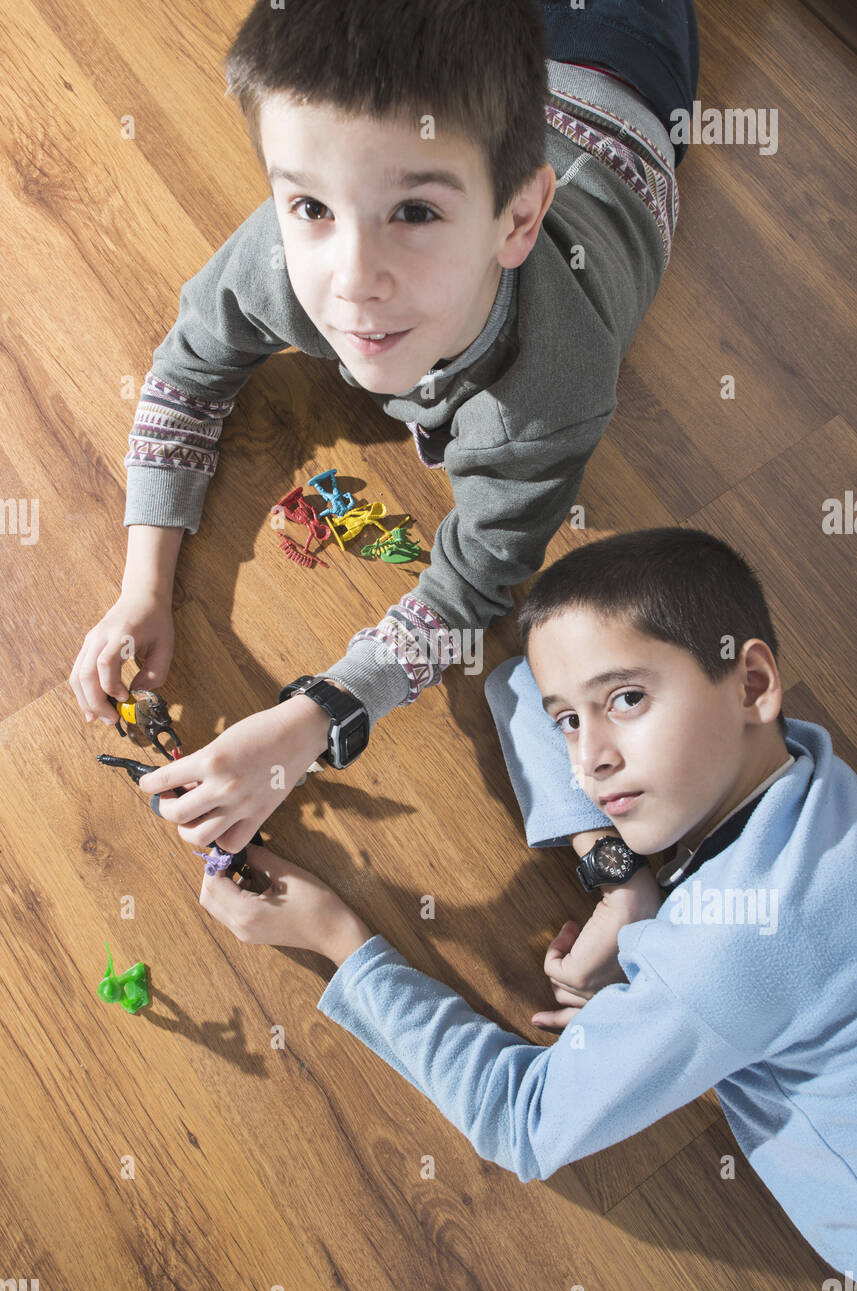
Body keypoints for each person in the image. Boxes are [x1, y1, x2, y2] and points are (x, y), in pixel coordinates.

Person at [68, 0, 698, 856]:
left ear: (517, 221)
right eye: (310, 207)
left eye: (415, 215)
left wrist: (310, 719)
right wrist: (144, 587)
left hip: (621, 64)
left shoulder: (547, 399)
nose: (353, 281)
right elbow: (186, 371)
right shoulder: (282, 257)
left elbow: (471, 589)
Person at [196, 528, 857, 1278]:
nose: (588, 759)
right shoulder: (810, 770)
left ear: (751, 685)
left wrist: (336, 936)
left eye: (628, 699)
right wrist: (620, 879)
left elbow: (522, 1120)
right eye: (570, 720)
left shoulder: (714, 962)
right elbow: (517, 685)